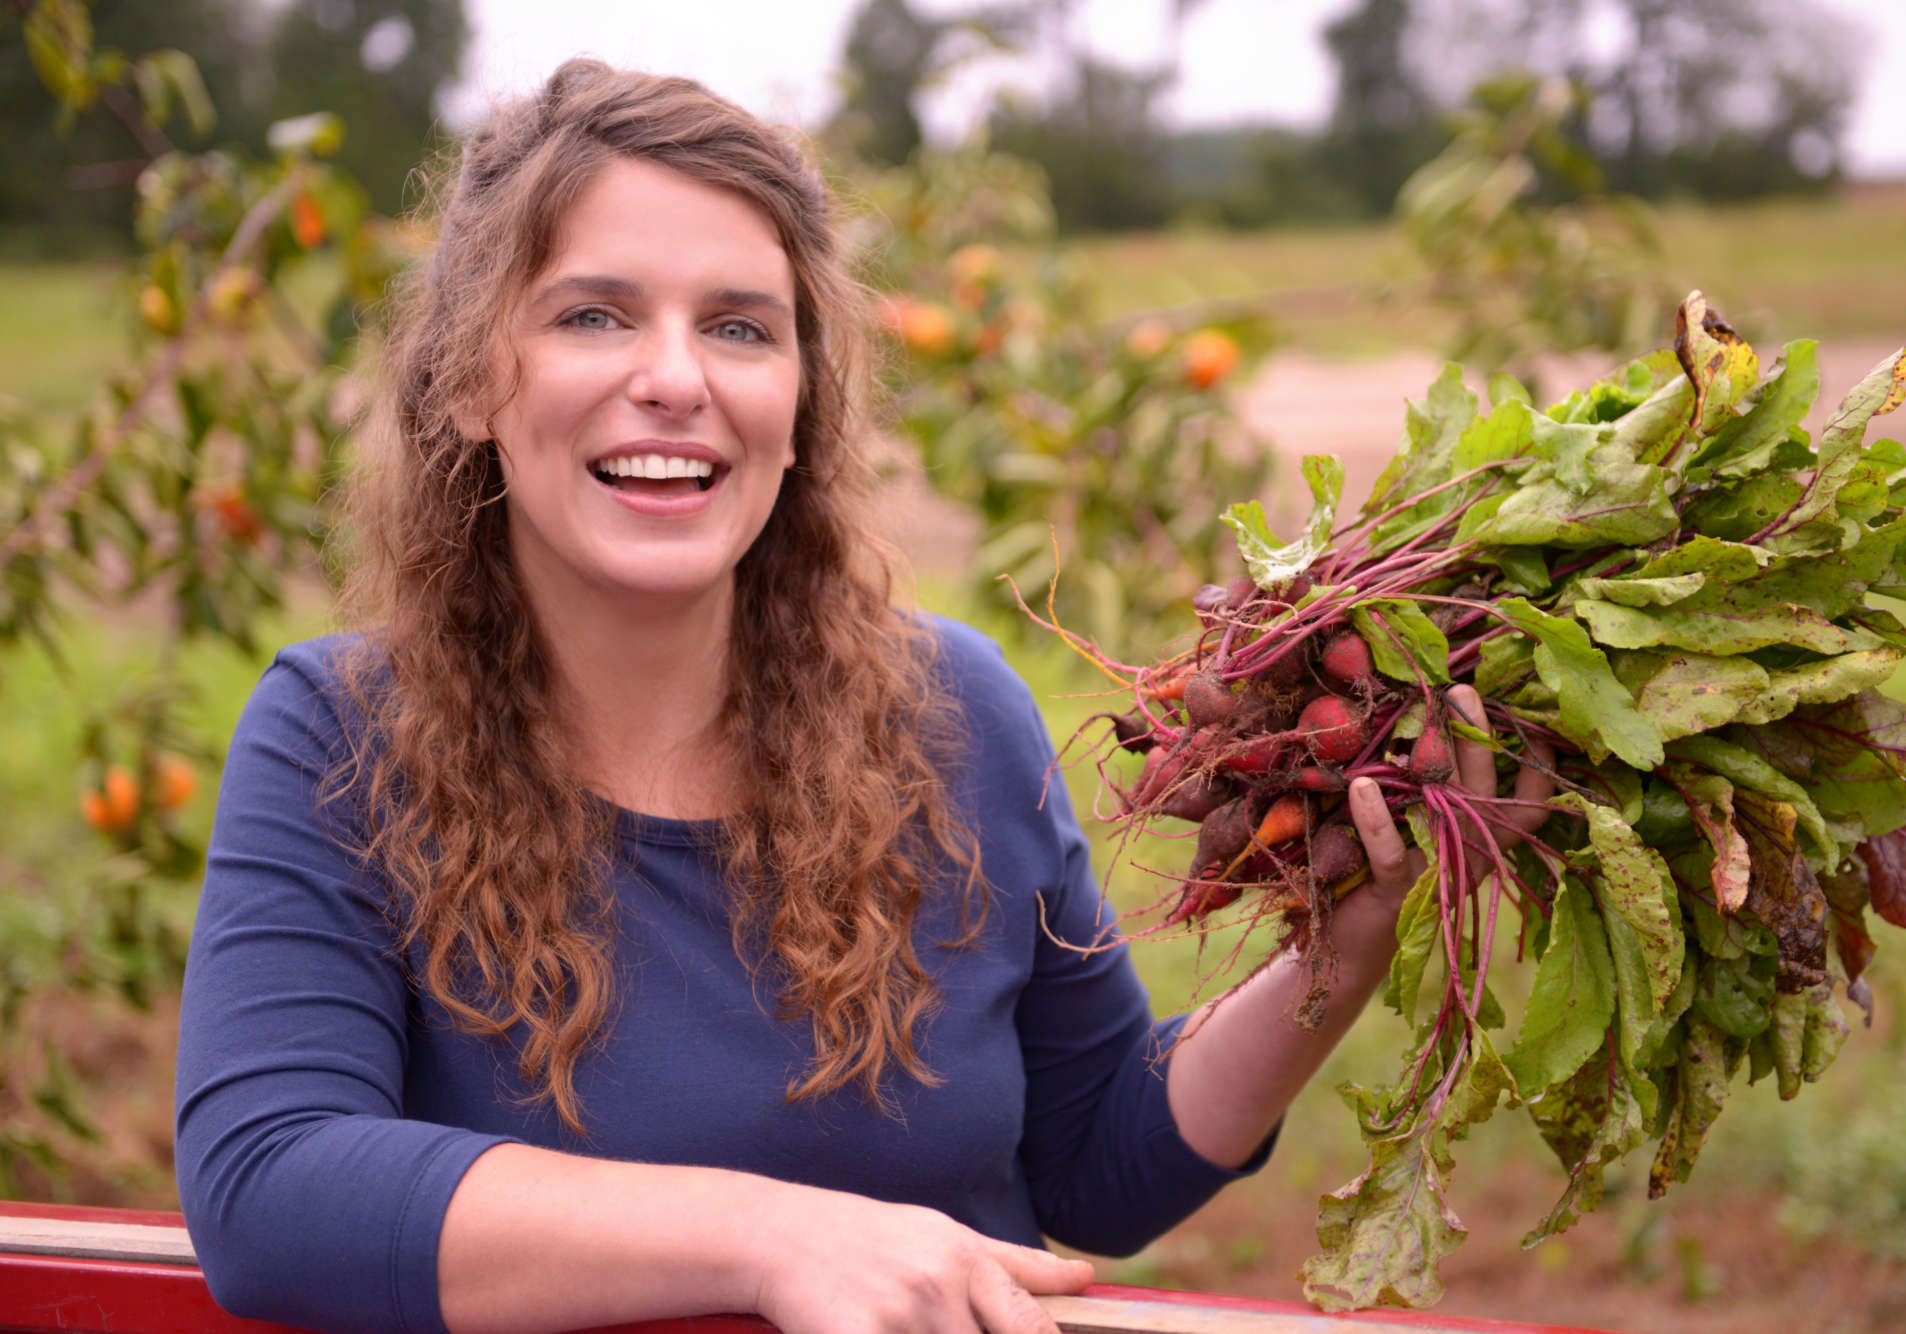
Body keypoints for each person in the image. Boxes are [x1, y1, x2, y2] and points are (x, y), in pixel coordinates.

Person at [173, 59, 1547, 1334]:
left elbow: (1096, 1165)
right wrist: (771, 1239)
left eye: (739, 327)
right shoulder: (341, 737)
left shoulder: (953, 711)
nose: (675, 379)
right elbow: (270, 1186)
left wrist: (1336, 952)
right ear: (473, 380)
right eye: (594, 314)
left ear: (801, 406)